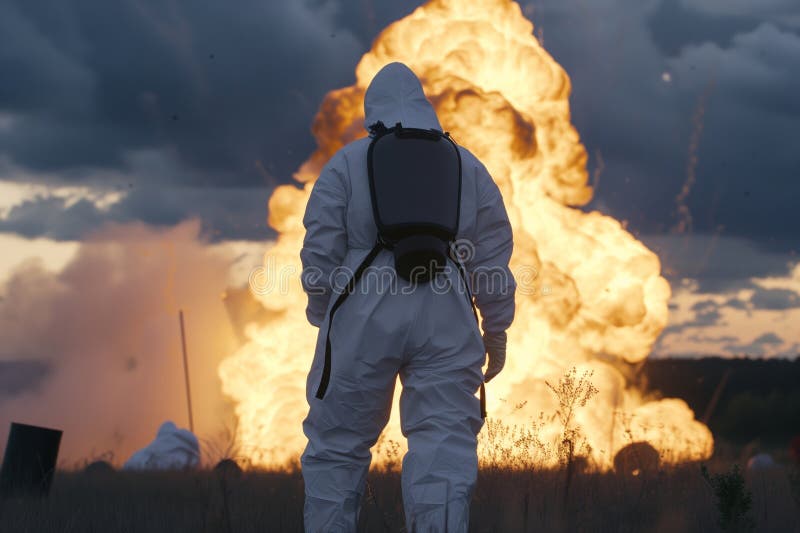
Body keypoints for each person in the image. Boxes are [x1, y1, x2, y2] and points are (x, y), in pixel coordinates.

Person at [300, 62, 515, 532]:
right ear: (427, 111)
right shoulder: (468, 165)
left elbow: (320, 252)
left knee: (337, 448)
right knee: (443, 449)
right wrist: (495, 330)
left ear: (372, 111)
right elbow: (493, 258)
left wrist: (324, 314)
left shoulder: (348, 163)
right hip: (447, 312)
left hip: (364, 310)